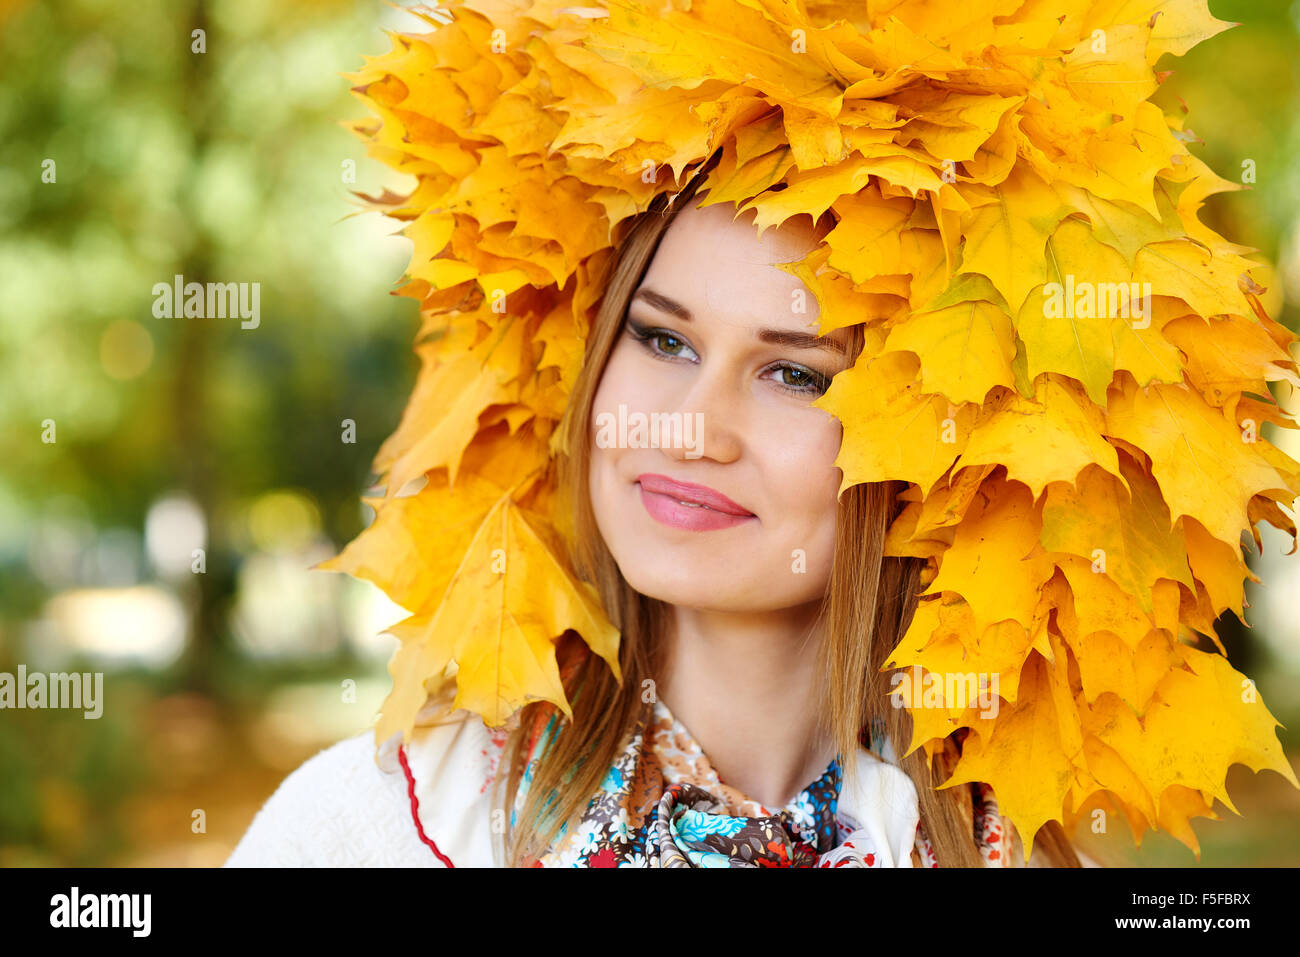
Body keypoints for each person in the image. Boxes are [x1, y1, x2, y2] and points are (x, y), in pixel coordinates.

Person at [226, 169, 1089, 867]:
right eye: (663, 340)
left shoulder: (1013, 852)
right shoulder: (365, 834)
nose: (692, 429)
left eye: (795, 375)